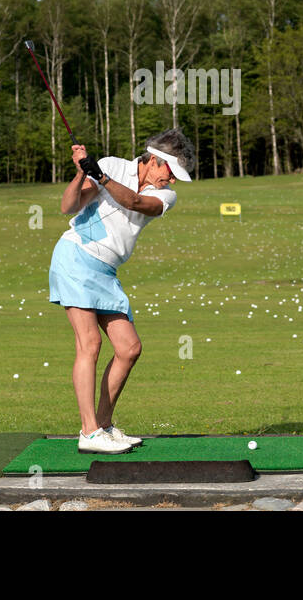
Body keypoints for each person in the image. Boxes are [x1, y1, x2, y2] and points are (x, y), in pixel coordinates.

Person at [50, 127, 195, 454]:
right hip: (76, 257)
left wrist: (98, 174)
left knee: (129, 347)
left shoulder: (164, 196)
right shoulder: (113, 166)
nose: (171, 181)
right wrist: (80, 174)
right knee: (90, 343)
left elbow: (133, 201)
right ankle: (89, 433)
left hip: (106, 270)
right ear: (156, 161)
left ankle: (103, 424)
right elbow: (68, 206)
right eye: (170, 173)